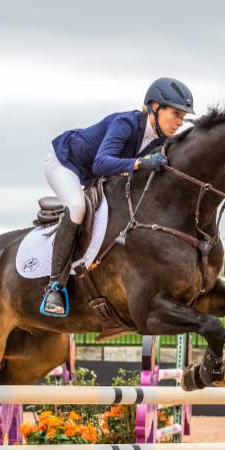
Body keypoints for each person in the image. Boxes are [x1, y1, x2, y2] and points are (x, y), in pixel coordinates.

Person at [40, 77, 195, 317]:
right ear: (154, 107)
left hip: (93, 174)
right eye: (175, 114)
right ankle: (54, 287)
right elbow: (101, 163)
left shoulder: (163, 140)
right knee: (77, 206)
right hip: (65, 163)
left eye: (183, 118)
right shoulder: (126, 123)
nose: (179, 122)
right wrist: (141, 163)